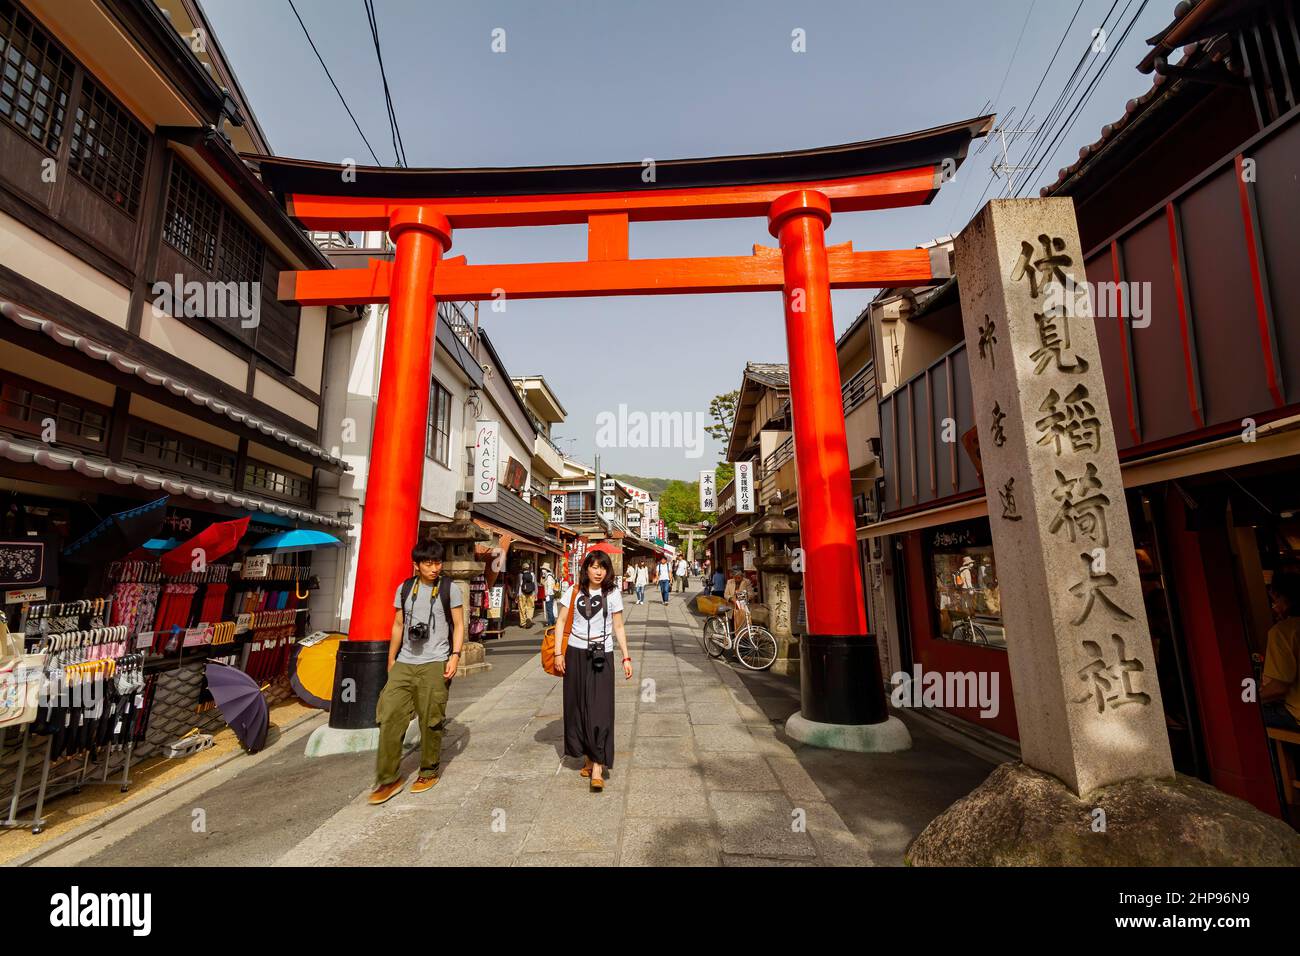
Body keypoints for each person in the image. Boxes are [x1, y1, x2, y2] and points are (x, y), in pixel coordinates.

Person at [370, 540, 464, 805]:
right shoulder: (405, 589)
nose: (434, 568)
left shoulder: (449, 589)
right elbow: (398, 624)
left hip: (435, 661)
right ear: (417, 565)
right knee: (389, 716)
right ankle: (388, 779)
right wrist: (391, 658)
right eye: (428, 563)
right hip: (405, 661)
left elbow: (458, 624)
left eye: (438, 563)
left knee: (430, 719)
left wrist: (455, 656)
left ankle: (429, 770)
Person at [556, 550, 632, 792]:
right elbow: (560, 621)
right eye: (594, 566)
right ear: (586, 568)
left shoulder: (612, 594)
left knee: (600, 708)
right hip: (575, 653)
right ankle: (588, 756)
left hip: (602, 654)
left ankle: (598, 765)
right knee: (577, 706)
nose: (598, 572)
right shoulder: (573, 591)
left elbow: (618, 626)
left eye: (603, 567)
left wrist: (626, 657)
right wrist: (559, 652)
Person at [1263, 572, 1300, 731]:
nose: (1274, 608)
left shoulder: (1283, 632)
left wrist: (1250, 700)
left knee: (1243, 714)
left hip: (1297, 714)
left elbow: (1279, 687)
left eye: (1274, 601)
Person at [723, 564, 754, 635]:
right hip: (731, 607)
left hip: (742, 607)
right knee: (730, 626)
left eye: (739, 577)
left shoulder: (746, 582)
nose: (737, 579)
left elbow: (751, 594)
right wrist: (731, 598)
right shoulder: (729, 582)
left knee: (743, 625)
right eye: (735, 577)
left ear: (742, 576)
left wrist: (743, 597)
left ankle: (742, 639)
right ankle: (732, 639)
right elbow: (725, 594)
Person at [515, 560, 537, 629]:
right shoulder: (533, 574)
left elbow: (518, 585)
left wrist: (516, 595)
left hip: (521, 593)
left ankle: (523, 623)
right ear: (529, 568)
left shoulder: (520, 575)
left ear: (522, 568)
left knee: (522, 608)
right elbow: (535, 585)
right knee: (530, 607)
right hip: (531, 593)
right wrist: (536, 594)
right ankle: (529, 618)